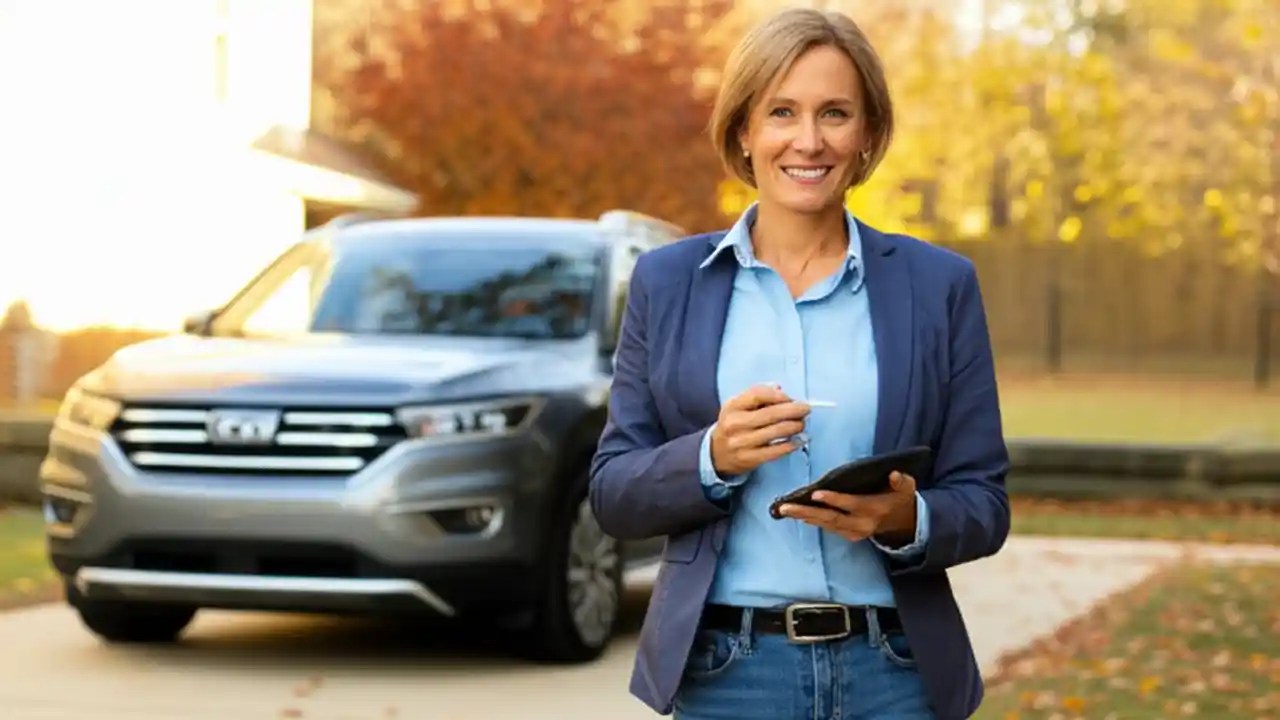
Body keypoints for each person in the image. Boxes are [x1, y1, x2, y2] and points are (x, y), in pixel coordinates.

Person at [589, 7, 1010, 720]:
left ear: (868, 133)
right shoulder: (667, 283)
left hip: (896, 677)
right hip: (728, 678)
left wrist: (908, 517)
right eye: (781, 111)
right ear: (744, 131)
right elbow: (613, 493)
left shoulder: (938, 286)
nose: (808, 141)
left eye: (835, 113)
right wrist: (711, 458)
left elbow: (985, 502)